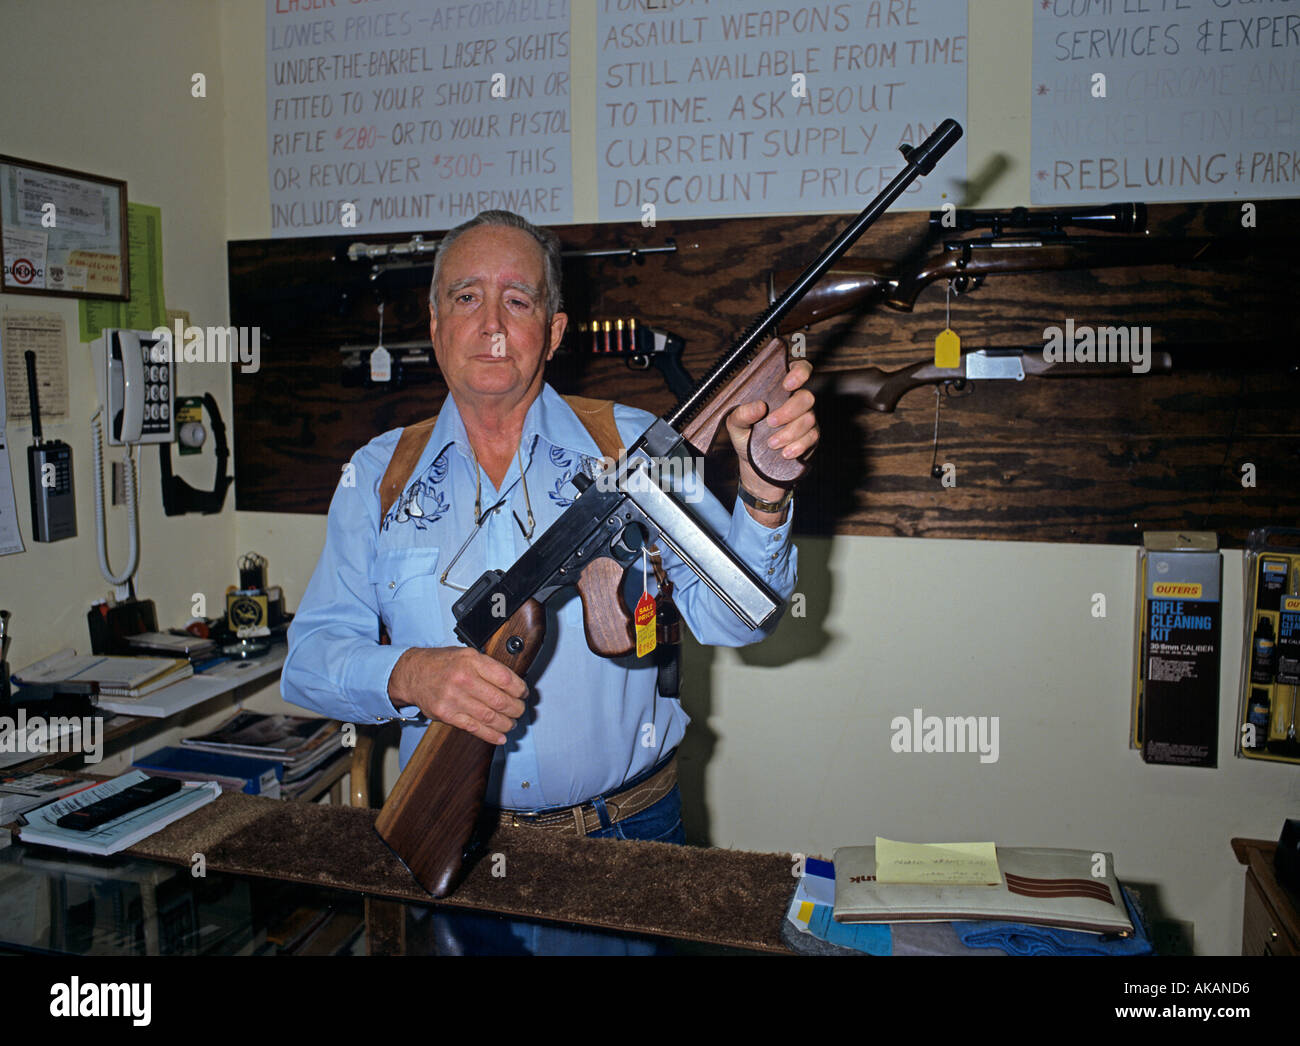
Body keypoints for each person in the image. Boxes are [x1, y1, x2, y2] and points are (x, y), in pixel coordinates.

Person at [282, 209, 819, 862]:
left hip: (628, 837)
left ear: (554, 330)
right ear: (433, 324)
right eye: (466, 297)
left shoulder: (633, 445)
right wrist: (411, 673)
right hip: (458, 841)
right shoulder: (378, 476)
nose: (491, 325)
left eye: (517, 299)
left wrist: (763, 494)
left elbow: (736, 619)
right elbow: (308, 661)